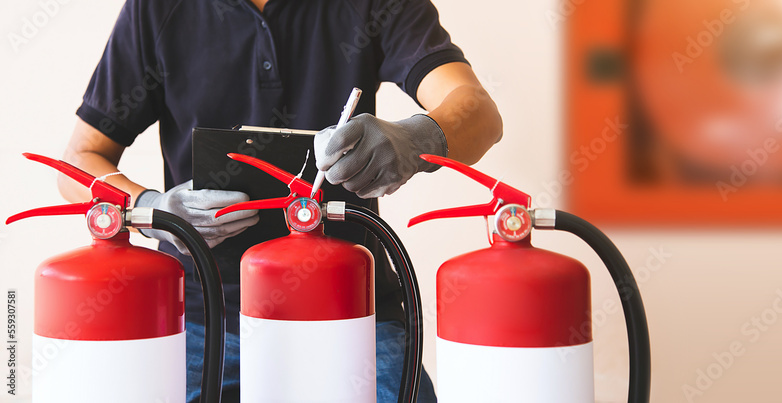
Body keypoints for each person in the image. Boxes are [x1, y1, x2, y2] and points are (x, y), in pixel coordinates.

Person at [56, 0, 502, 401]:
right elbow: (79, 159)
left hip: (353, 309)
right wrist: (151, 210)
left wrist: (415, 137)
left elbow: (478, 111)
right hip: (203, 316)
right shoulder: (157, 9)